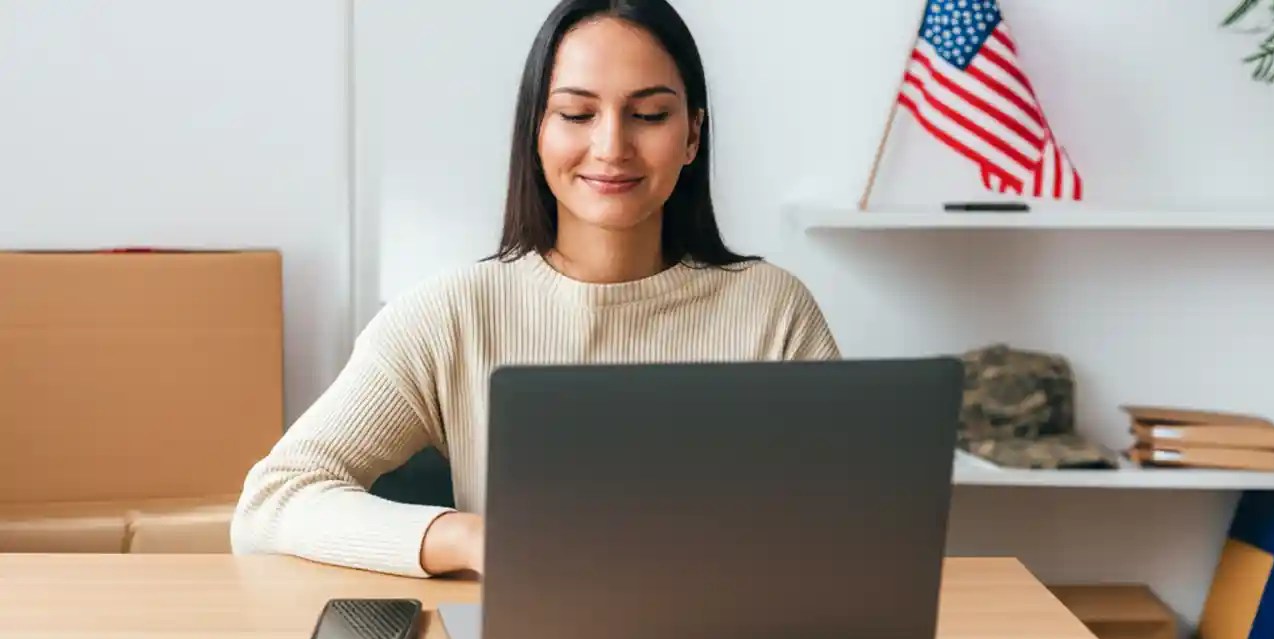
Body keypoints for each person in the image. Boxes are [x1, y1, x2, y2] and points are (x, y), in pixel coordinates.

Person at [229, 0, 841, 578]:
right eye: (577, 114)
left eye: (649, 115)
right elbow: (274, 501)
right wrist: (473, 538)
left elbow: (851, 520)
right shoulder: (452, 315)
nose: (611, 148)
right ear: (536, 133)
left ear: (691, 136)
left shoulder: (772, 310)